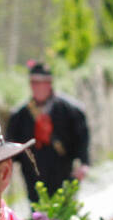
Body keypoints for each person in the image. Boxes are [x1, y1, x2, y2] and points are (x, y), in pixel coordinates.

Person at [6, 60, 90, 203]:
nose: (37, 87)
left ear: (49, 83)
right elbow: (12, 144)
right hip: (33, 173)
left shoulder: (71, 110)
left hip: (63, 169)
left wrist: (83, 163)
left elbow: (81, 137)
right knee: (37, 215)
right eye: (34, 82)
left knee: (64, 213)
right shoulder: (19, 115)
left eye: (41, 82)